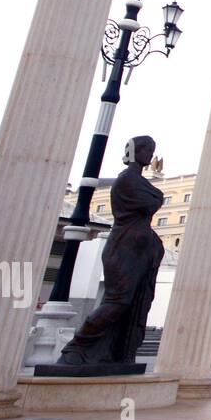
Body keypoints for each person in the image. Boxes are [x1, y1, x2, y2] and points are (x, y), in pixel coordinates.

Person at [55, 136, 165, 367]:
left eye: (152, 150)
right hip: (124, 246)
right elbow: (153, 202)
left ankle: (113, 352)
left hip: (139, 248)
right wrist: (158, 198)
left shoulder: (136, 181)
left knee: (132, 302)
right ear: (137, 151)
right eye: (147, 149)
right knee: (118, 301)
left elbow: (154, 200)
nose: (150, 154)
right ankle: (76, 346)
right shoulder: (127, 180)